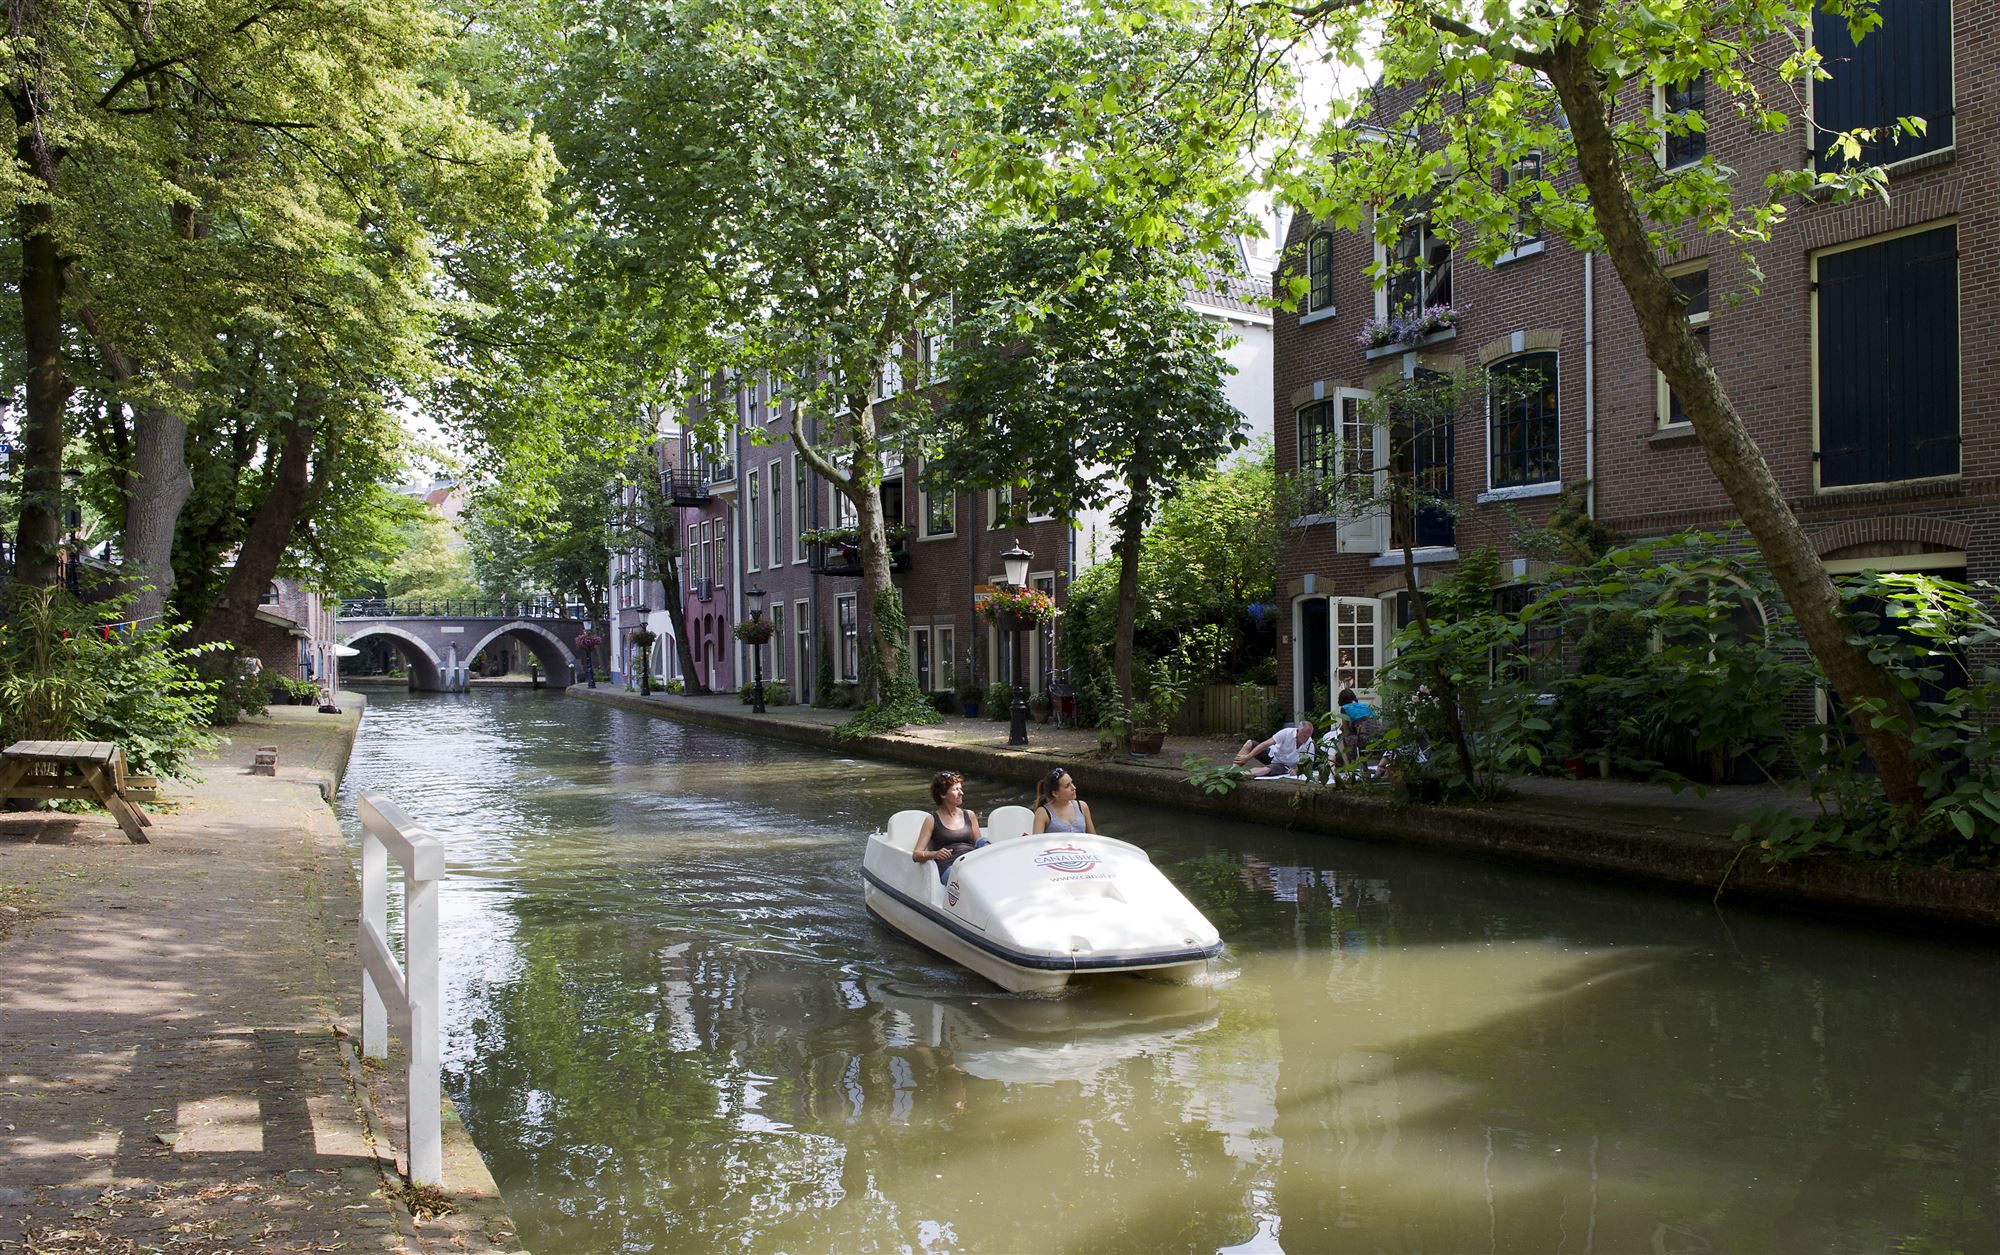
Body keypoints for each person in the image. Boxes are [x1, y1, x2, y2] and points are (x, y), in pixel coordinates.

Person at [913, 770, 985, 882]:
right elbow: (916, 855)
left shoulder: (969, 815)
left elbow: (978, 845)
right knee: (965, 878)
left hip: (971, 863)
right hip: (949, 867)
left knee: (983, 841)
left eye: (961, 789)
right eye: (956, 789)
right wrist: (934, 854)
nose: (961, 793)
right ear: (943, 794)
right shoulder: (931, 820)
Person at [1234, 719, 1316, 778]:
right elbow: (1266, 744)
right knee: (1250, 743)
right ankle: (1232, 771)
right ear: (1298, 731)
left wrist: (1297, 770)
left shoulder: (1310, 744)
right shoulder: (1287, 732)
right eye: (1304, 736)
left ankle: (1242, 774)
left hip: (1284, 765)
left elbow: (1309, 764)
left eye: (1308, 736)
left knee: (1266, 770)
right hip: (1273, 754)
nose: (1306, 739)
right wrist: (1248, 756)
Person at [1032, 767, 1097, 834]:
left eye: (1072, 783)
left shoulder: (1082, 806)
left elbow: (1093, 837)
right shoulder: (1042, 813)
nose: (1074, 788)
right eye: (1067, 786)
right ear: (1055, 793)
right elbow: (1036, 841)